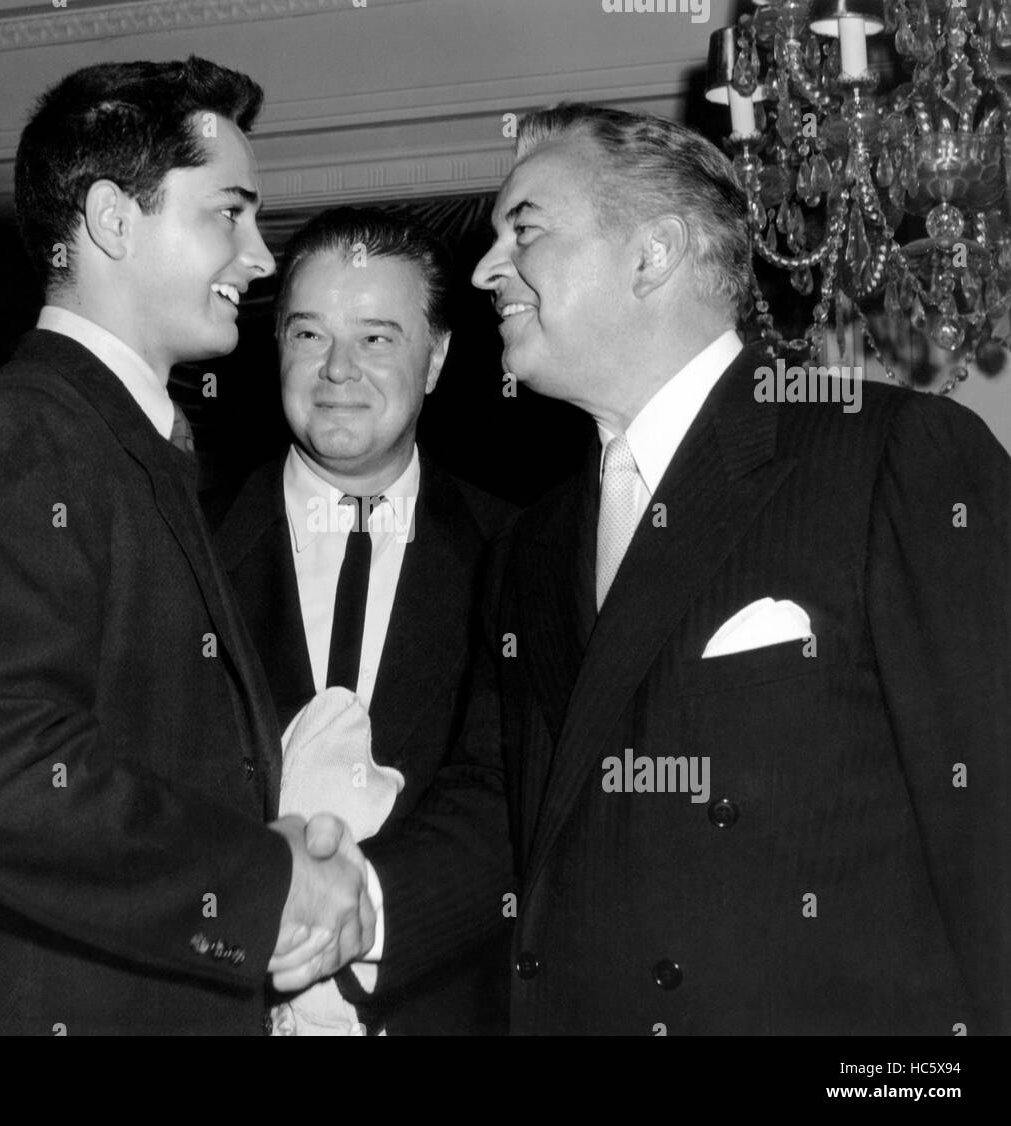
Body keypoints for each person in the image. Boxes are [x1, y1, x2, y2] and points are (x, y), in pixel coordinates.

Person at [281, 102, 1011, 1035]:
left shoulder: (890, 457)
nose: (486, 268)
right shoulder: (532, 544)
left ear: (653, 253)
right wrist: (360, 899)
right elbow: (505, 814)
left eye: (525, 232)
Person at [0, 57, 373, 1035]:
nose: (260, 257)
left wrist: (274, 852)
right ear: (112, 220)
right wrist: (259, 883)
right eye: (227, 214)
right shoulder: (24, 438)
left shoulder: (116, 440)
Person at [206, 207, 514, 1034]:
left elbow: (518, 816)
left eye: (377, 338)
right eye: (308, 335)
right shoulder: (184, 544)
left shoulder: (520, 556)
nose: (338, 369)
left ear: (438, 357)